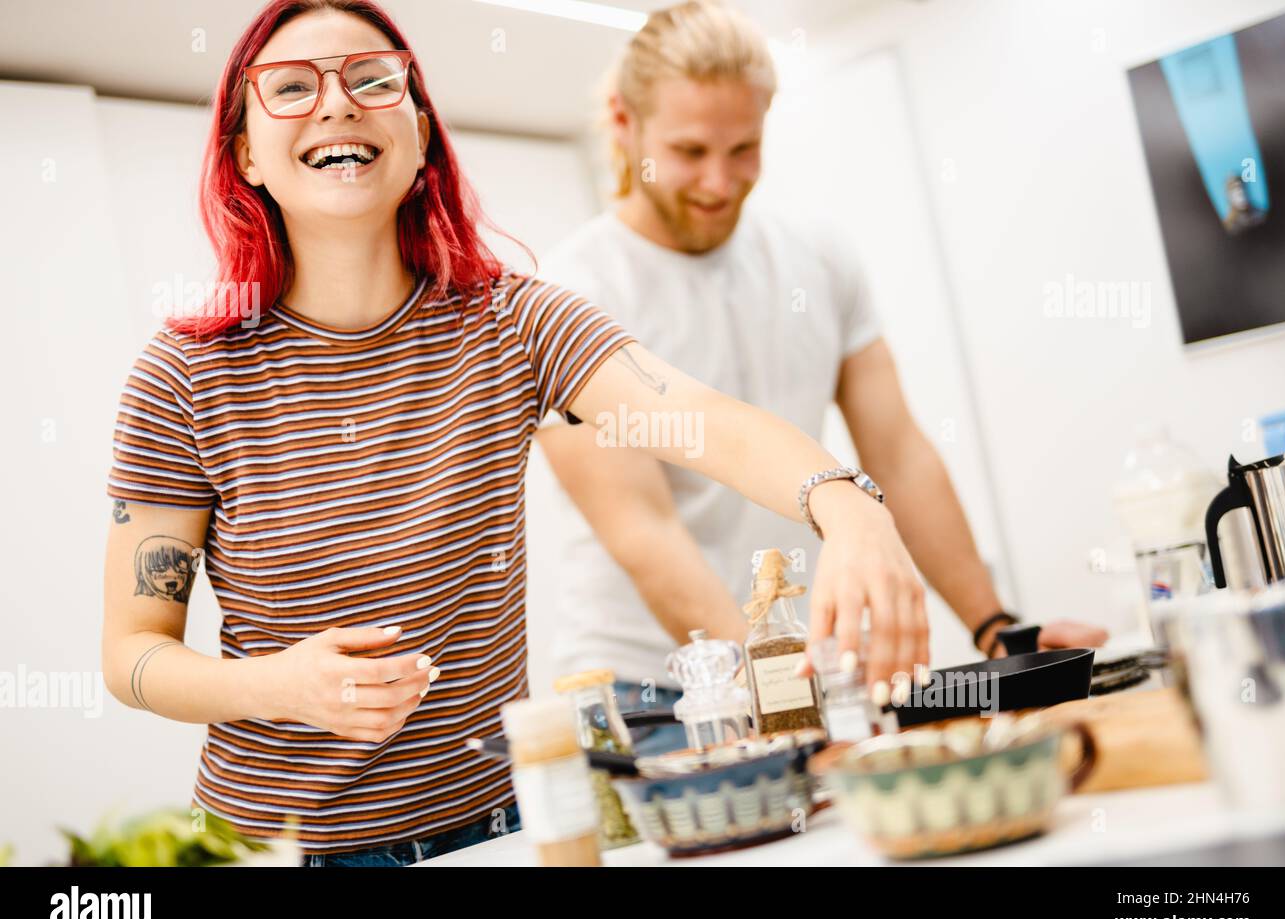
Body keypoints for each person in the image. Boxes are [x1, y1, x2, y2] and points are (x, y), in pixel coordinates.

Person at [101, 0, 927, 866]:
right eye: (292, 88)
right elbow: (132, 653)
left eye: (373, 79)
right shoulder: (185, 377)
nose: (337, 104)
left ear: (420, 134)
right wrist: (282, 685)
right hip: (281, 847)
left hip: (504, 828)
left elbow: (708, 422)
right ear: (244, 154)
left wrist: (854, 511)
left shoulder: (513, 325)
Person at [536, 1, 1107, 754]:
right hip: (651, 694)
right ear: (623, 121)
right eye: (688, 150)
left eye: (743, 148)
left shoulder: (818, 257)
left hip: (791, 675)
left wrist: (995, 626)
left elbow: (897, 456)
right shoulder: (568, 292)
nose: (718, 180)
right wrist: (778, 695)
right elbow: (647, 531)